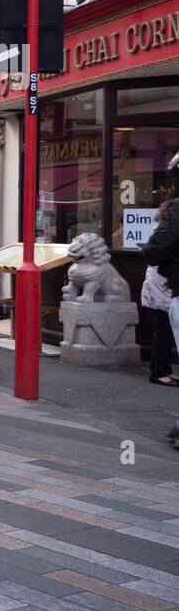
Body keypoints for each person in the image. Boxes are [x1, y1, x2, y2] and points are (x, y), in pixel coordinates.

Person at [141, 176, 179, 450]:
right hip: (163, 287)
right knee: (162, 329)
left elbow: (156, 250)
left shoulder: (175, 211)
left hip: (172, 286)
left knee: (163, 329)